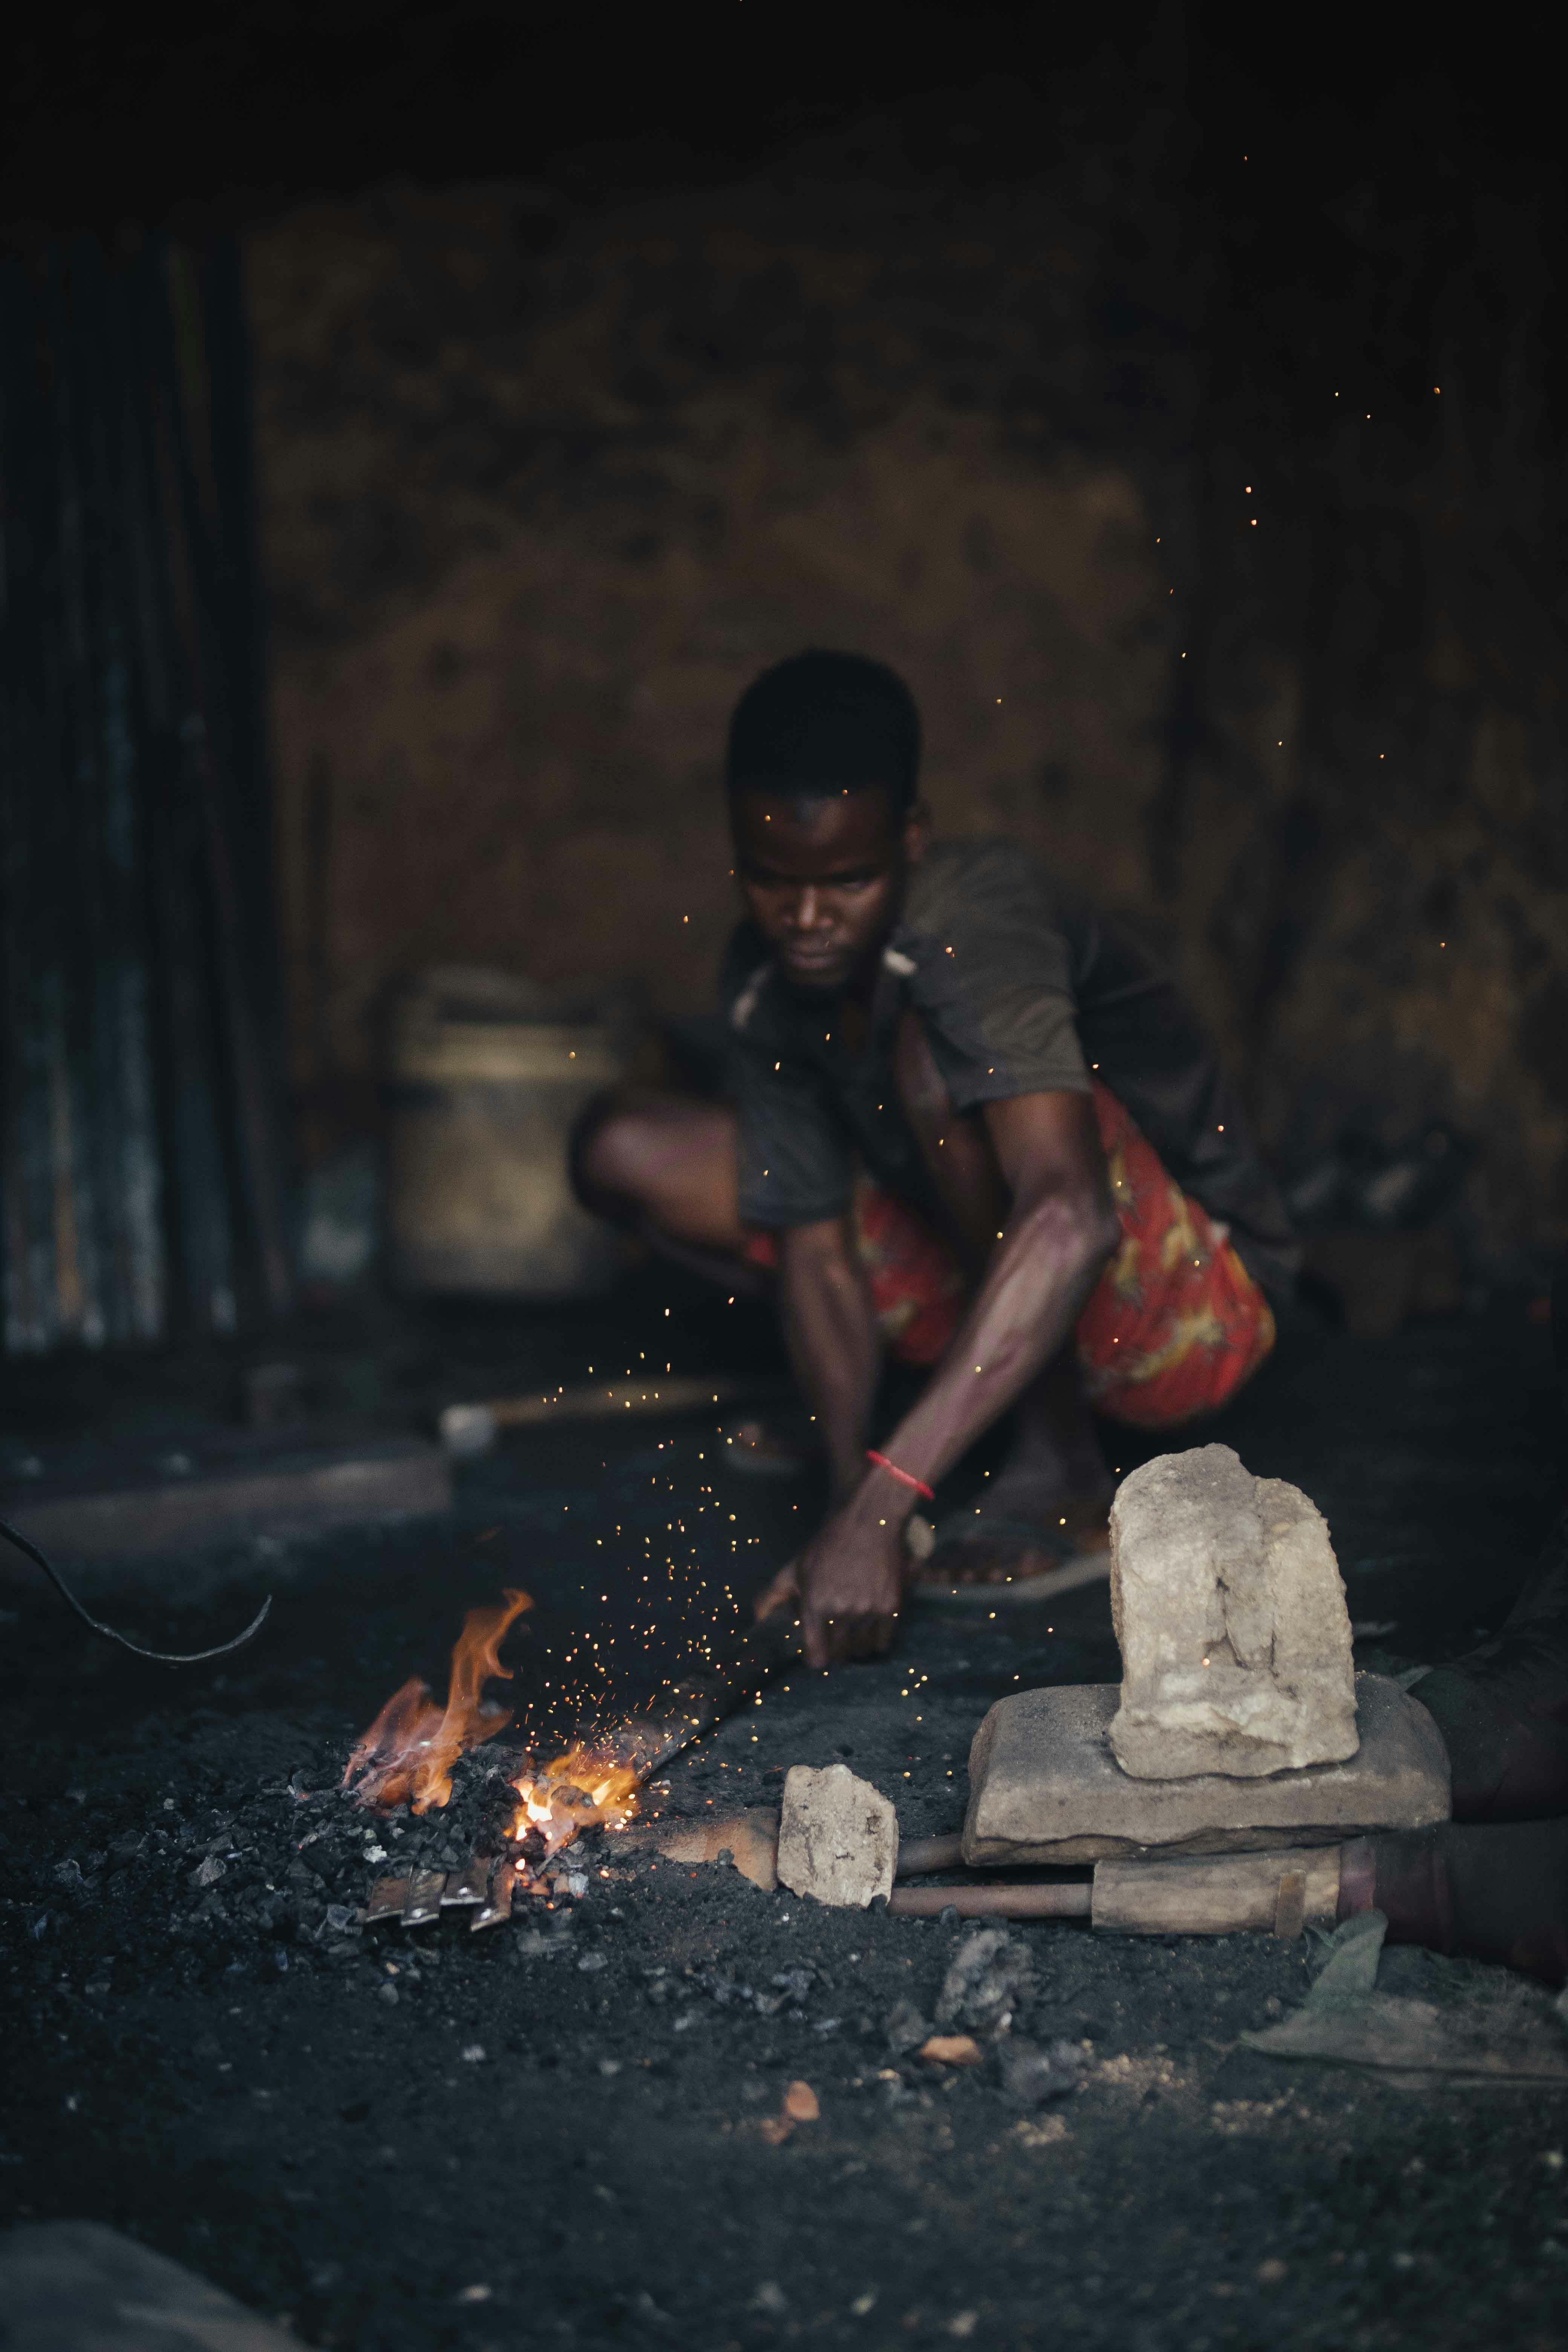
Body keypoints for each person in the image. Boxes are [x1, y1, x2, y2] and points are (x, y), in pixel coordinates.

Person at [574, 649, 1299, 1668]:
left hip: (1193, 1308)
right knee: (618, 1147)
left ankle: (1059, 1472)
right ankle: (909, 1440)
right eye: (772, 880)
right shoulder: (765, 978)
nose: (807, 921)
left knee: (933, 1061)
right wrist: (851, 1510)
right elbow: (816, 1249)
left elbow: (1072, 1218)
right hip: (986, 1277)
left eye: (850, 880)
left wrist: (884, 1505)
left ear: (911, 839)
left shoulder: (974, 914)